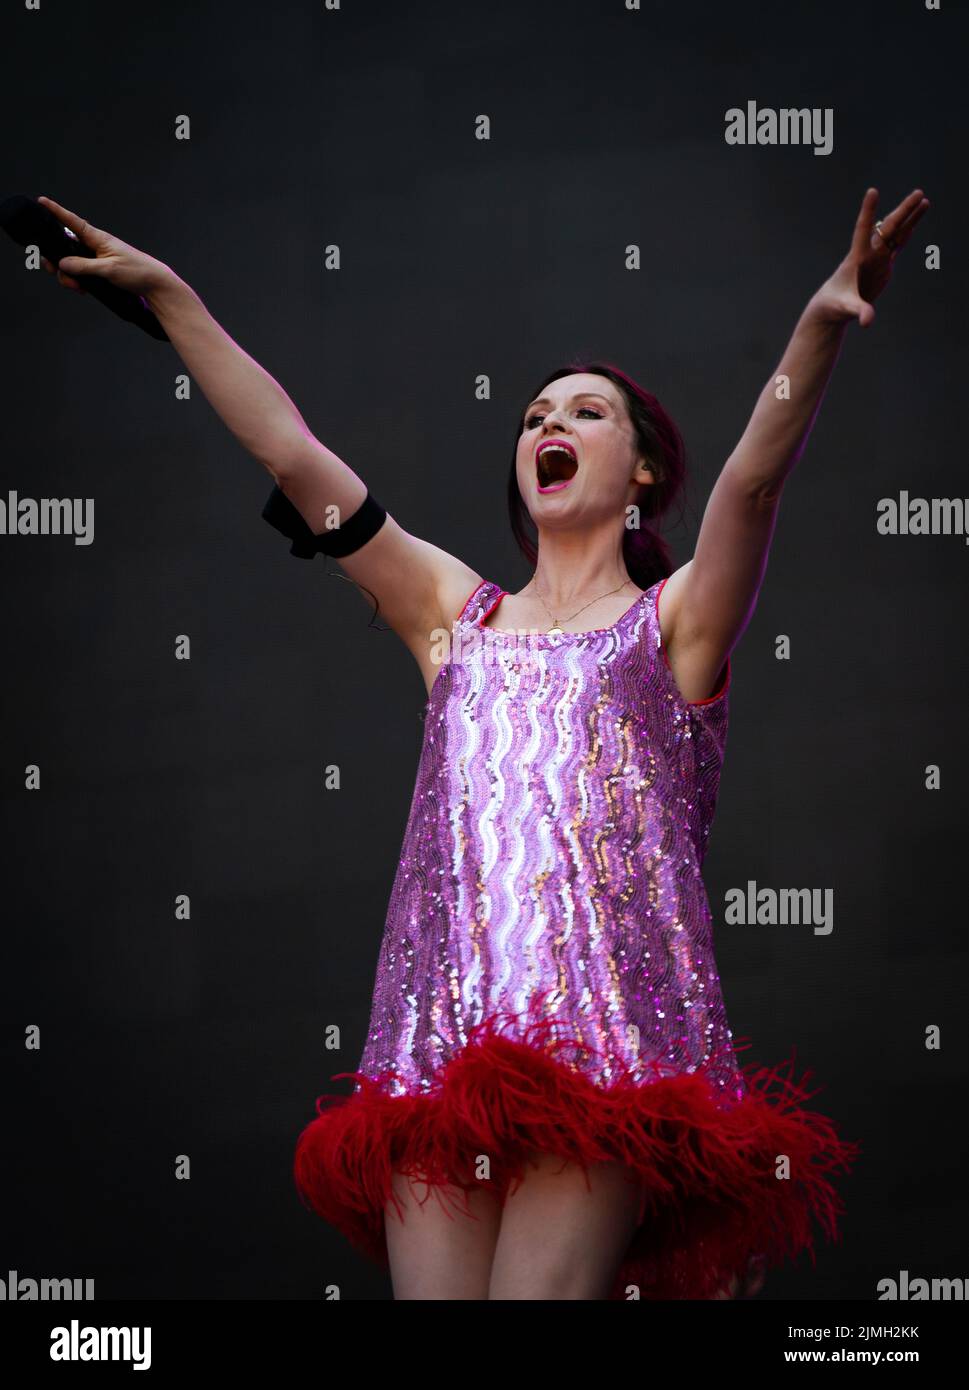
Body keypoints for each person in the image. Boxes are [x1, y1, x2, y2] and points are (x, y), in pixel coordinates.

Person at [36, 186, 927, 1301]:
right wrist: (174, 302)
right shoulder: (452, 616)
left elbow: (752, 479)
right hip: (439, 1052)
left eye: (586, 413)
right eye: (534, 416)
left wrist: (822, 323)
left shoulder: (675, 628)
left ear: (644, 472)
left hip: (606, 1054)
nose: (549, 426)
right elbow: (295, 458)